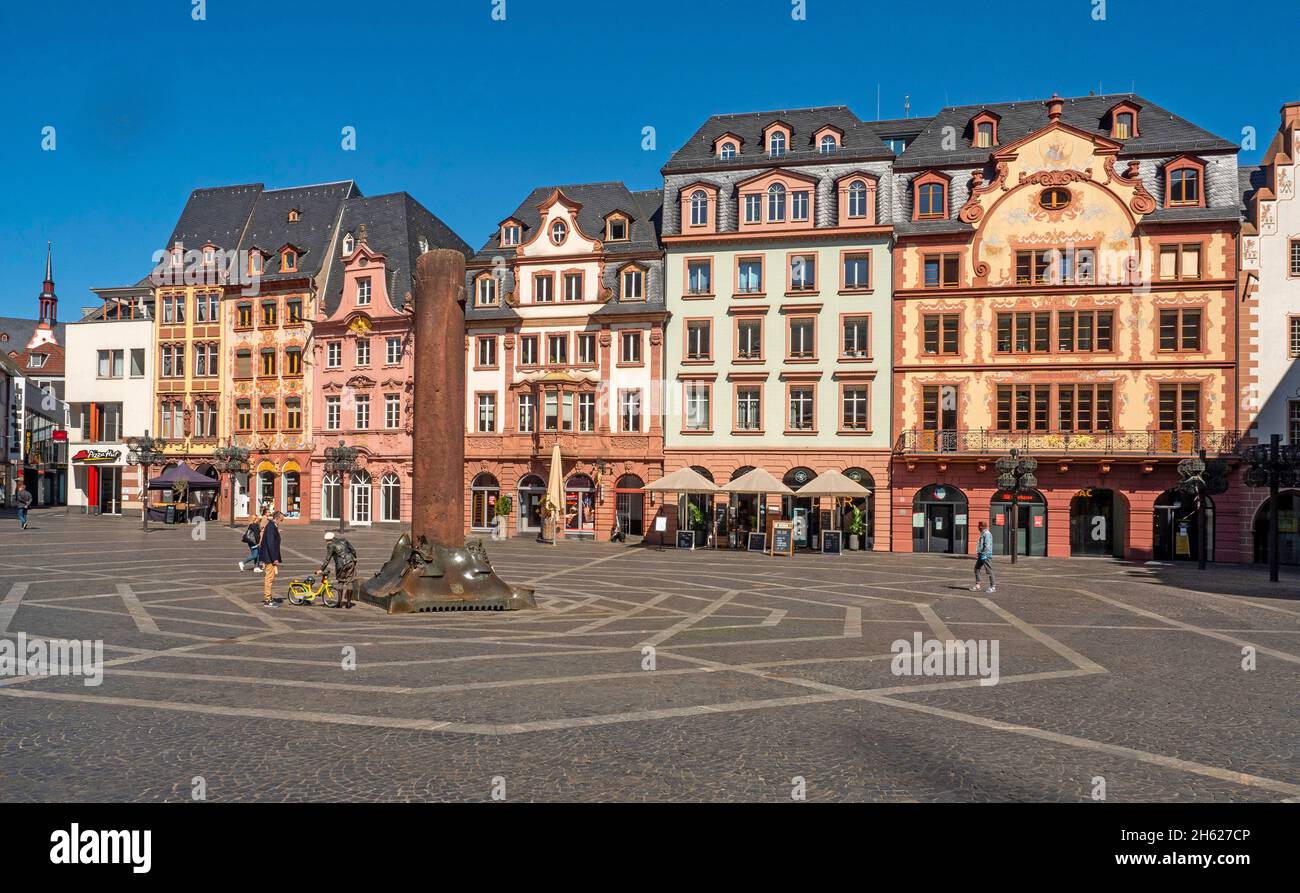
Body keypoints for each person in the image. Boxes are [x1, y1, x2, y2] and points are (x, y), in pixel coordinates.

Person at [319, 531, 358, 609]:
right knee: (349, 582)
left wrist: (321, 569)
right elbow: (353, 550)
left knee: (340, 582)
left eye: (326, 541)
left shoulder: (331, 545)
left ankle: (339, 603)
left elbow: (327, 559)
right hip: (351, 561)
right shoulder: (344, 540)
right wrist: (354, 558)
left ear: (328, 540)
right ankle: (349, 604)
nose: (326, 542)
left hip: (341, 565)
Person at [259, 511, 284, 607]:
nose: (281, 522)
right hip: (269, 557)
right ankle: (267, 599)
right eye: (281, 520)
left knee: (270, 577)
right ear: (277, 518)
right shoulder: (271, 526)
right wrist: (275, 558)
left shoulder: (272, 526)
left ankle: (268, 597)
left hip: (269, 556)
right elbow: (270, 544)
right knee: (269, 578)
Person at [972, 520, 996, 593]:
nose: (978, 527)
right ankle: (978, 585)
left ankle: (993, 586)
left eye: (978, 526)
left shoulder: (987, 534)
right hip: (981, 554)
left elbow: (987, 545)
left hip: (985, 555)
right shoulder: (983, 533)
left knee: (989, 570)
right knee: (976, 568)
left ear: (982, 527)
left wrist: (984, 554)